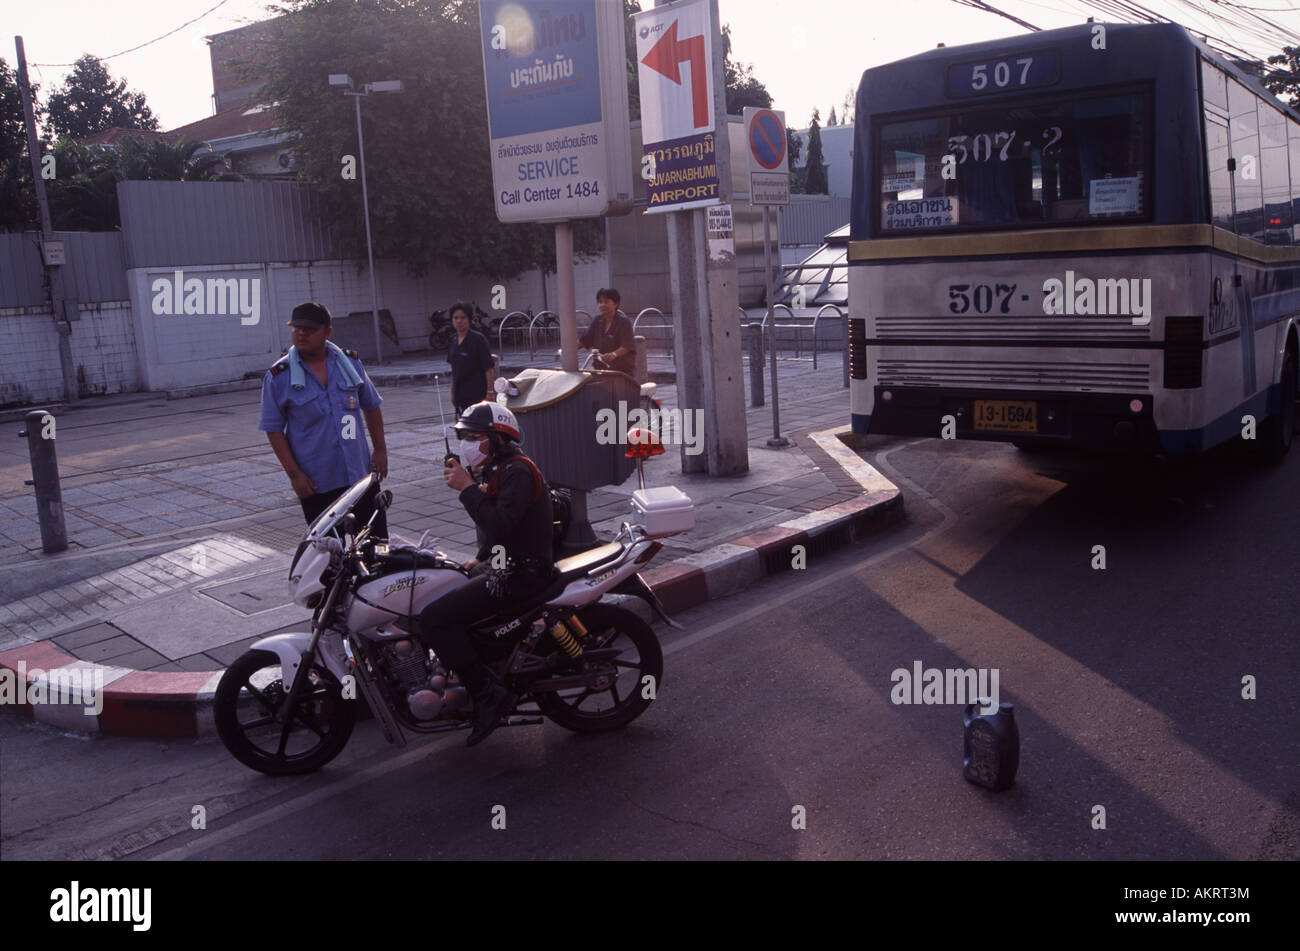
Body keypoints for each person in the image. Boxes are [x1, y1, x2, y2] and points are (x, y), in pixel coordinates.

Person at [418, 400, 555, 747]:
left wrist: (466, 489)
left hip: (520, 577)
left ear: (497, 439)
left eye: (474, 436)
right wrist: (479, 559)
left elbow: (501, 524)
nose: (466, 444)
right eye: (463, 436)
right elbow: (499, 530)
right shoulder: (498, 470)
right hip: (503, 568)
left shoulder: (518, 471)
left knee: (433, 618)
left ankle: (486, 694)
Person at [259, 301, 390, 538]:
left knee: (376, 550)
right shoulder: (279, 377)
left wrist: (380, 449)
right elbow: (273, 429)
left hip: (360, 477)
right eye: (296, 328)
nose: (301, 333)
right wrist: (295, 475)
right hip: (317, 484)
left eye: (309, 329)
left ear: (327, 332)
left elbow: (372, 405)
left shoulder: (349, 364)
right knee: (329, 560)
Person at [447, 301, 494, 414]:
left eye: (463, 317)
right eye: (455, 318)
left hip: (477, 395)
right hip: (460, 395)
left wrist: (490, 392)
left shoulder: (478, 340)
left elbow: (489, 368)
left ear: (469, 319)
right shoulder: (453, 340)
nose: (459, 321)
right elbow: (454, 371)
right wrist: (453, 393)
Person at [579, 287, 636, 376]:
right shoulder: (597, 321)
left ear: (616, 304)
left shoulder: (623, 322)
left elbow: (627, 346)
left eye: (606, 302)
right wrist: (566, 351)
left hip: (621, 371)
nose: (602, 305)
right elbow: (584, 340)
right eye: (600, 302)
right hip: (600, 370)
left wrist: (614, 354)